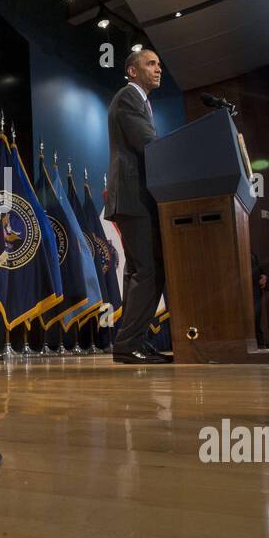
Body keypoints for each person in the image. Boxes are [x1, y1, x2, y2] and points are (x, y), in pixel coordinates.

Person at [104, 48, 171, 364]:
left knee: (137, 270)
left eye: (159, 64)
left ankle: (131, 341)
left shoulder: (140, 102)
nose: (158, 69)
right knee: (149, 269)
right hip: (134, 196)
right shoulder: (129, 98)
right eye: (150, 63)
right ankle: (128, 343)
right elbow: (149, 145)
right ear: (132, 71)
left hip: (135, 197)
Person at [251, 252, 268, 348]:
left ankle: (260, 344)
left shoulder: (252, 254)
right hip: (247, 290)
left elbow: (260, 270)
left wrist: (264, 276)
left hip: (256, 291)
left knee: (257, 318)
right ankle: (258, 344)